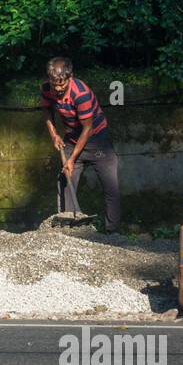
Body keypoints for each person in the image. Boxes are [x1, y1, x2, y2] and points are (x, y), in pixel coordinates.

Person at [40, 57, 121, 233]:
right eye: (55, 85)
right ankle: (69, 227)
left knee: (110, 187)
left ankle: (112, 232)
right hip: (72, 137)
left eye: (62, 85)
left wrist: (72, 159)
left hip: (97, 140)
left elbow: (87, 129)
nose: (58, 89)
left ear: (70, 77)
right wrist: (54, 135)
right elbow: (46, 109)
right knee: (65, 181)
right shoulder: (47, 88)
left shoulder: (81, 94)